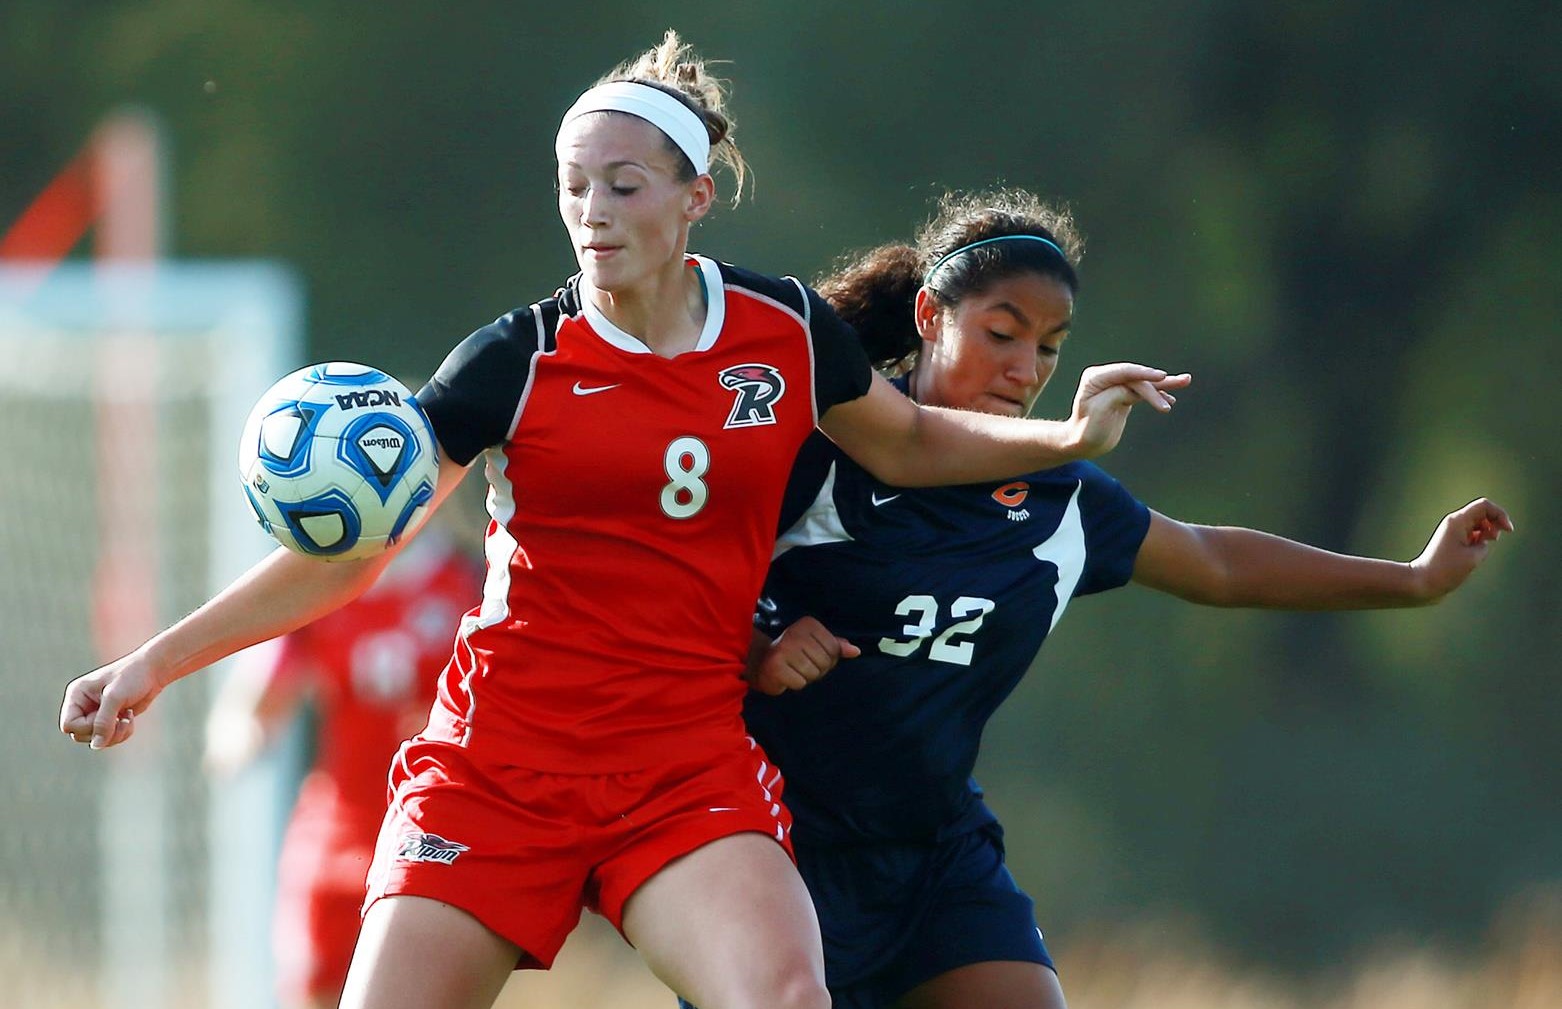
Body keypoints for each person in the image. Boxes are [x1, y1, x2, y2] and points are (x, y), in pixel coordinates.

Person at [58, 33, 1190, 1009]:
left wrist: (1068, 441)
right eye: (573, 184)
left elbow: (908, 441)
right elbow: (352, 557)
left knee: (788, 994)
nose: (591, 212)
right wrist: (154, 664)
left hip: (679, 765)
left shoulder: (783, 329)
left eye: (623, 185)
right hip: (499, 766)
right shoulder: (515, 359)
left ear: (693, 195)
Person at [706, 188, 1512, 1009]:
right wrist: (759, 648)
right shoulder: (815, 447)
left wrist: (1413, 578)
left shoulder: (1060, 501)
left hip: (934, 853)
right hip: (763, 843)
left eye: (1050, 347)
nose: (1026, 369)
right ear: (927, 314)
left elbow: (1216, 562)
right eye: (1001, 332)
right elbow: (658, 585)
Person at [204, 523, 484, 1009]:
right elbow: (252, 704)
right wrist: (238, 737)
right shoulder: (319, 585)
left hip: (437, 837)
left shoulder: (470, 580)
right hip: (338, 834)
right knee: (314, 993)